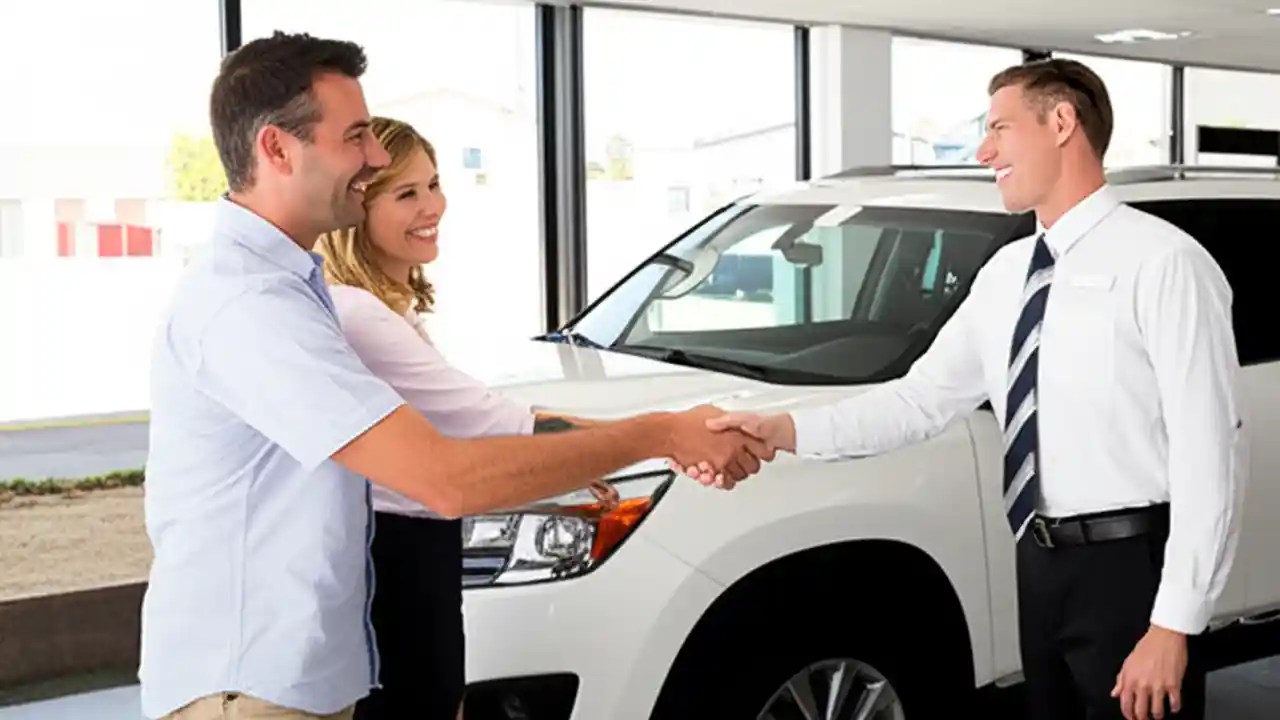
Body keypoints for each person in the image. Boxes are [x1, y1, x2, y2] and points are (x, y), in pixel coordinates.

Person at [140, 31, 769, 720]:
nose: (374, 156)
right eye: (356, 137)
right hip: (251, 689)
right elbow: (446, 478)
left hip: (290, 678)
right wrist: (655, 434)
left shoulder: (292, 285)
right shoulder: (251, 306)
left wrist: (655, 436)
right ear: (277, 149)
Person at [678, 58, 1245, 720]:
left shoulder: (1165, 264)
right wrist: (786, 430)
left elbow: (1211, 455)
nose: (984, 151)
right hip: (1038, 565)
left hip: (1129, 570)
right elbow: (918, 401)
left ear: (1062, 122)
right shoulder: (1008, 274)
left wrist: (1174, 624)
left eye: (1000, 128)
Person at [313, 116, 622, 720]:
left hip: (411, 547)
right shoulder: (363, 317)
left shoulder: (385, 308)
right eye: (406, 194)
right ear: (360, 211)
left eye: (433, 185)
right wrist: (636, 441)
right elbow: (485, 419)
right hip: (395, 556)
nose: (432, 207)